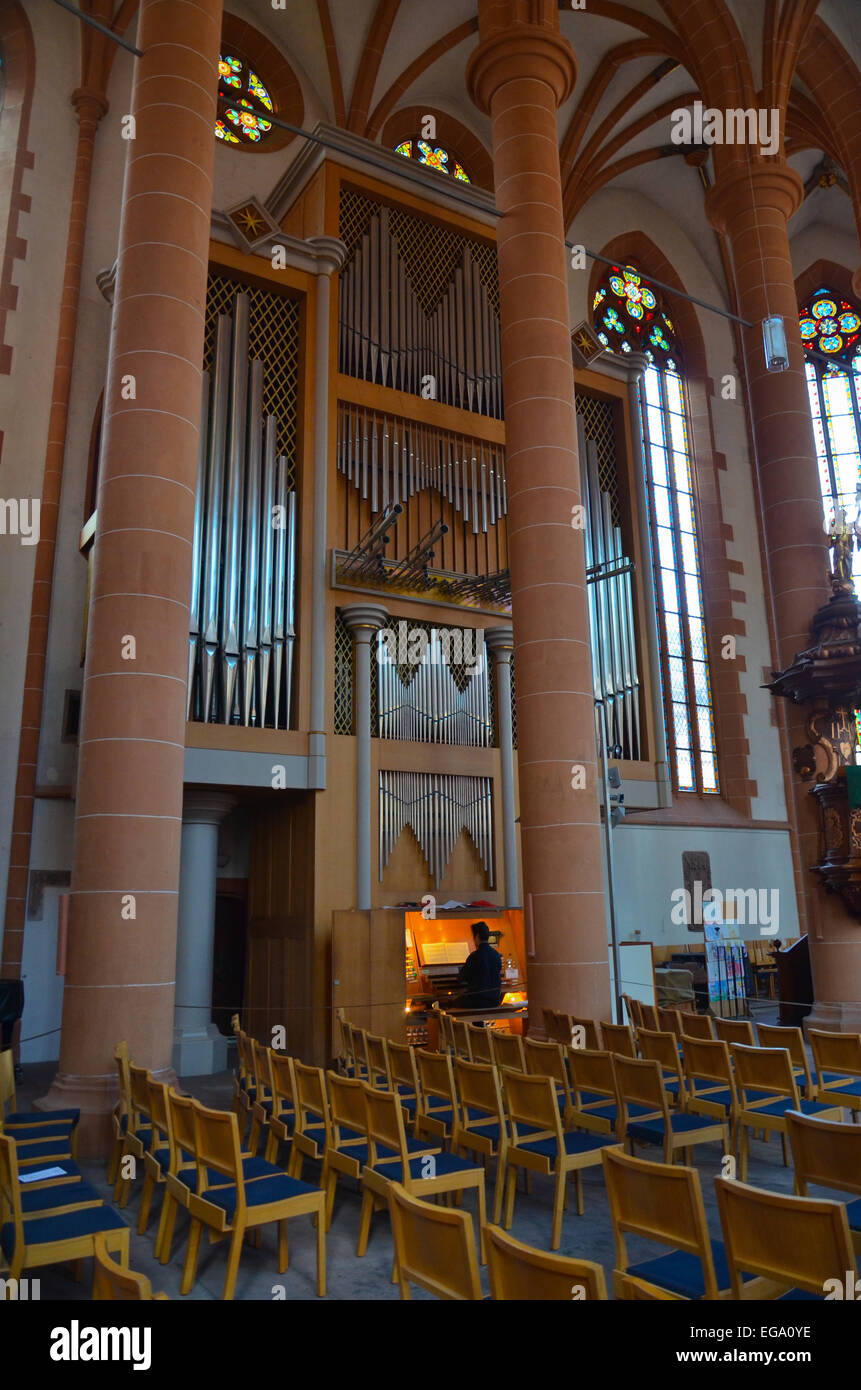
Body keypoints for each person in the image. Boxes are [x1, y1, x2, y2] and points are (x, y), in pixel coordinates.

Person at [455, 921, 502, 1012]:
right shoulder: (496, 955)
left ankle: (468, 1026)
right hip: (494, 1000)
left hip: (478, 1001)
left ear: (477, 937)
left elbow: (462, 978)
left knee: (451, 1003)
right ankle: (477, 1026)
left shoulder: (475, 956)